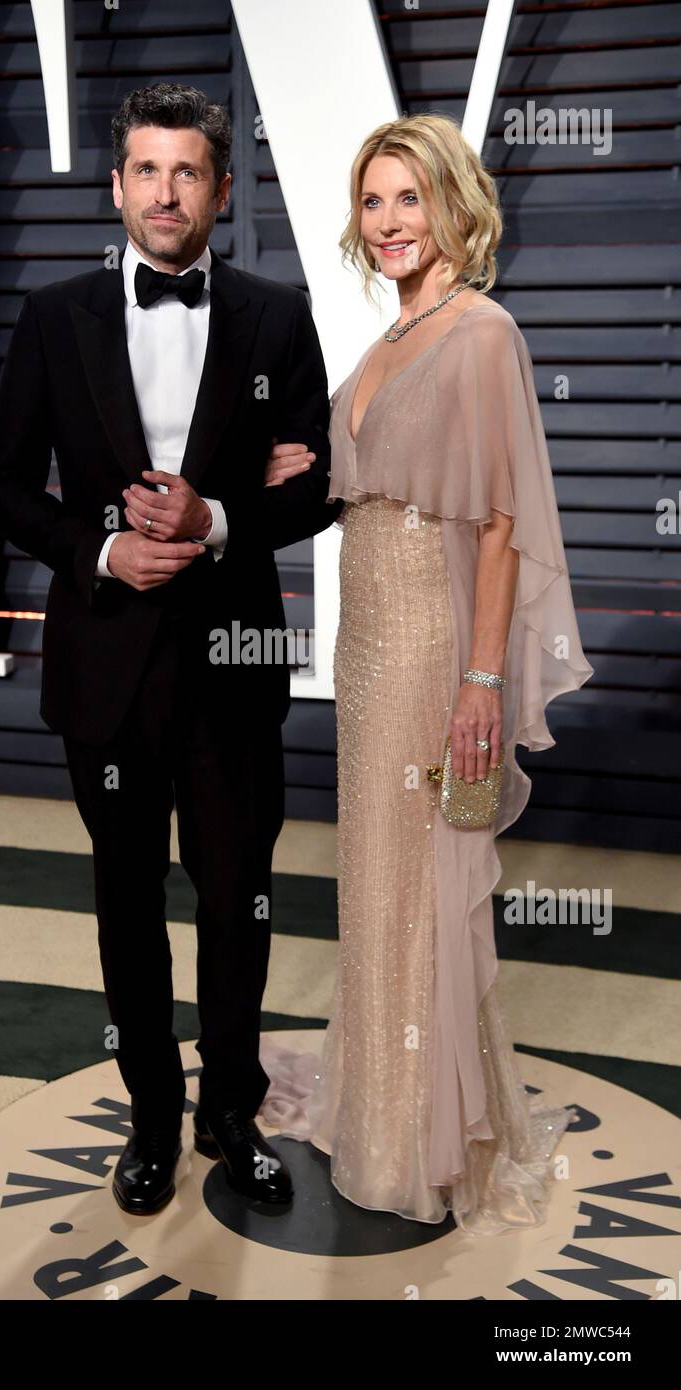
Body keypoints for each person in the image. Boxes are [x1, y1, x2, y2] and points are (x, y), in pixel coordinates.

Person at [0, 83, 341, 1216]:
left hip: (231, 668)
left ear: (221, 192)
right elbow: (0, 488)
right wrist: (99, 552)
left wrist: (218, 520)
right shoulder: (54, 313)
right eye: (146, 170)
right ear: (121, 185)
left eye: (188, 172)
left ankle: (231, 1109)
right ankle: (148, 1121)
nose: (165, 191)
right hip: (107, 668)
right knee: (126, 903)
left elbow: (322, 483)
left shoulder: (277, 316)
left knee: (237, 900)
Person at [258, 113, 593, 1234]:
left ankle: (425, 1140)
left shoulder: (479, 331)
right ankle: (381, 1102)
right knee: (376, 875)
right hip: (363, 638)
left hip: (433, 644)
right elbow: (373, 470)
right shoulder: (392, 333)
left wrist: (481, 681)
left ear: (453, 203)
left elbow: (498, 522)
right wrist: (308, 458)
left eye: (408, 197)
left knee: (422, 882)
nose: (389, 221)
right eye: (372, 201)